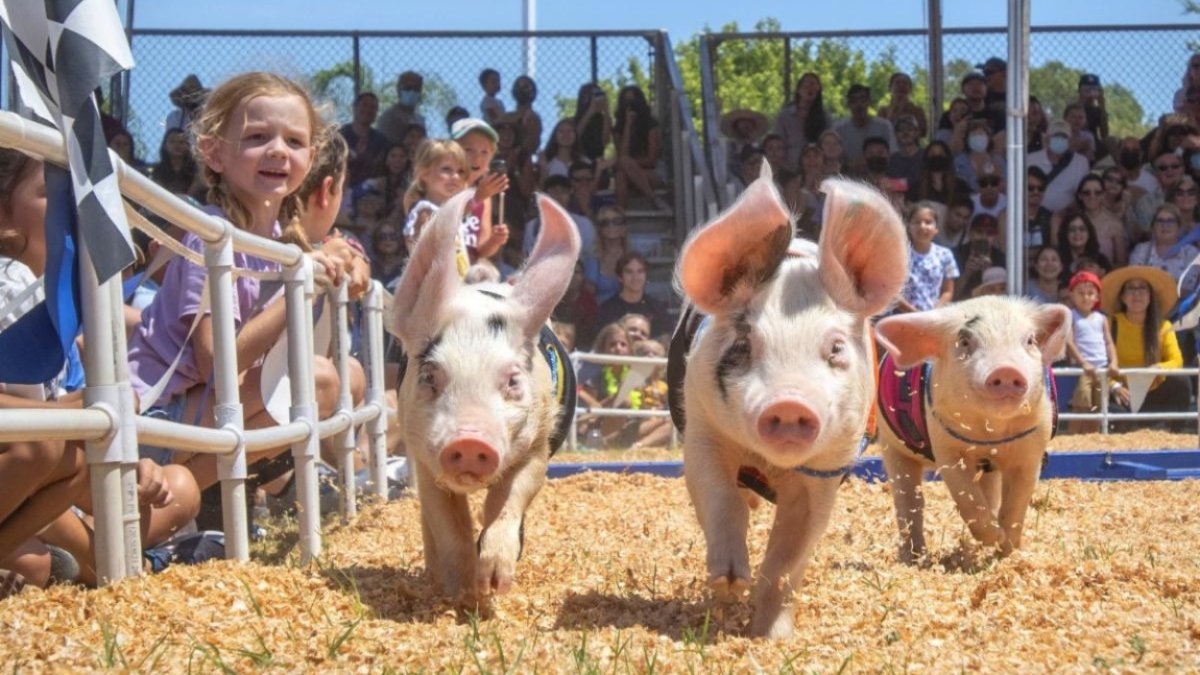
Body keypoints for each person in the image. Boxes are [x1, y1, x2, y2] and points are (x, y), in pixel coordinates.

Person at [127, 72, 348, 495]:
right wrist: (301, 289)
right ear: (213, 152)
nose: (278, 151)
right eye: (257, 137)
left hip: (190, 408)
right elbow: (216, 363)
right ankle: (180, 496)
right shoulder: (213, 235)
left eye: (294, 142)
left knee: (314, 382)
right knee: (316, 381)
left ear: (311, 156)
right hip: (155, 414)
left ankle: (180, 498)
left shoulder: (271, 241)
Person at [0, 150, 89, 595]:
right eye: (49, 192)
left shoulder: (58, 304)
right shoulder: (10, 278)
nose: (68, 204)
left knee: (72, 458)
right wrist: (74, 410)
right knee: (41, 446)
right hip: (23, 443)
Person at [1103, 266, 1190, 431]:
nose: (1137, 293)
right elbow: (1098, 362)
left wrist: (1158, 368)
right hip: (1123, 395)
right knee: (1111, 410)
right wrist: (1114, 386)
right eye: (1131, 288)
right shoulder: (1110, 323)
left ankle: (1177, 435)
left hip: (1155, 393)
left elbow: (1176, 361)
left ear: (1151, 296)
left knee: (1182, 382)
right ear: (1122, 297)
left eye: (1142, 288)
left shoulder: (1164, 326)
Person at [401, 139, 470, 275]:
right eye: (446, 169)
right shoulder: (425, 212)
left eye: (460, 171)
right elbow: (424, 260)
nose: (455, 176)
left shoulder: (452, 213)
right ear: (424, 173)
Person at [1064, 271, 1119, 433]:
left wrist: (1114, 362)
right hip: (1083, 369)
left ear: (1097, 297)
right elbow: (1069, 342)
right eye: (1080, 293)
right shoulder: (1071, 316)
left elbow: (1109, 342)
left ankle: (1092, 437)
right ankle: (1072, 437)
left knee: (1098, 406)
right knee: (1082, 403)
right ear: (1071, 295)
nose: (1085, 297)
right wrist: (1083, 363)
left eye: (1090, 293)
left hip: (1101, 368)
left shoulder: (1101, 318)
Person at [450, 118, 511, 261]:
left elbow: (481, 249)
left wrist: (494, 241)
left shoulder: (485, 196)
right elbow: (442, 222)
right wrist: (477, 198)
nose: (477, 157)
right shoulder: (444, 185)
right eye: (468, 150)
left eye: (485, 152)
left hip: (468, 271)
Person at [612, 85, 668, 212]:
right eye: (626, 102)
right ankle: (651, 200)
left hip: (653, 173)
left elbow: (651, 160)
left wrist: (629, 164)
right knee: (621, 174)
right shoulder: (618, 130)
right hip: (629, 175)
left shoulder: (651, 125)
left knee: (623, 165)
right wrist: (628, 125)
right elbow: (622, 154)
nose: (630, 106)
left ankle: (623, 211)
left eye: (633, 102)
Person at [895, 201, 958, 312]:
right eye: (916, 222)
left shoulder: (945, 255)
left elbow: (948, 291)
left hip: (933, 318)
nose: (922, 226)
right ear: (909, 226)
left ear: (936, 229)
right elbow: (892, 291)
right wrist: (913, 312)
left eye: (928, 222)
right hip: (901, 317)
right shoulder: (898, 254)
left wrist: (934, 312)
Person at [1052, 174, 1127, 267]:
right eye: (1086, 192)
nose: (1092, 196)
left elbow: (1121, 263)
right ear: (1080, 195)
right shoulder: (1070, 221)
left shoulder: (1115, 224)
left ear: (1103, 194)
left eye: (1097, 192)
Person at [594, 252, 666, 339]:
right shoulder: (606, 310)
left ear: (646, 276)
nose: (635, 277)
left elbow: (665, 340)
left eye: (640, 271)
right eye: (629, 272)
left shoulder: (657, 308)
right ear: (620, 277)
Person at [1027, 120, 1091, 213]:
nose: (1060, 140)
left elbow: (1084, 193)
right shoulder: (1030, 159)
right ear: (1047, 139)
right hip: (1033, 215)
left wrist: (1063, 214)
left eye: (1064, 137)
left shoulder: (1081, 162)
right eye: (1056, 136)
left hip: (1066, 217)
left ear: (1070, 140)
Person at [833, 84, 896, 174]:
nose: (859, 104)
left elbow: (894, 155)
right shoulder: (839, 129)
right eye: (854, 101)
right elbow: (832, 159)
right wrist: (848, 165)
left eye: (863, 100)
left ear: (869, 102)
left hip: (880, 178)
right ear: (849, 104)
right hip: (849, 179)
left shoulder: (884, 126)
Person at [1129, 203, 1199, 282]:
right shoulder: (1141, 250)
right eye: (1160, 221)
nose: (1165, 225)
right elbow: (1134, 281)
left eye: (1170, 221)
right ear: (1153, 227)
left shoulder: (1191, 253)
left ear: (1179, 227)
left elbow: (1191, 288)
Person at [773, 73, 828, 171]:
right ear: (799, 89)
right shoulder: (785, 116)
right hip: (789, 170)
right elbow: (777, 145)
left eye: (813, 85)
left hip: (817, 171)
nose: (810, 88)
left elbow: (829, 144)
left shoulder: (825, 117)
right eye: (806, 84)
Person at [1131, 150, 1187, 240]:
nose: (1170, 170)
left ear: (1183, 170)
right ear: (1155, 173)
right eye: (1163, 168)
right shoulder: (1146, 203)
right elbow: (1148, 237)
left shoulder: (1196, 196)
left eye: (1175, 166)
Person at [340, 92, 388, 187]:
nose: (368, 110)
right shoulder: (340, 135)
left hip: (369, 190)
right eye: (364, 105)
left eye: (373, 107)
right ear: (354, 108)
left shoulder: (381, 141)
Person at [953, 213, 1006, 300]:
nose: (984, 237)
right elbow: (950, 296)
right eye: (979, 232)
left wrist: (989, 274)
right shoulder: (956, 255)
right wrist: (966, 274)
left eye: (989, 233)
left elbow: (1004, 297)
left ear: (996, 236)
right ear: (970, 233)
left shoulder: (1001, 259)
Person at [1056, 208, 1113, 283]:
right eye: (1072, 230)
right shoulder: (1057, 259)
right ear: (1065, 234)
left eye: (1082, 229)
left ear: (1089, 233)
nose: (1077, 233)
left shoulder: (1101, 260)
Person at [954, 118, 1005, 193]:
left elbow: (1005, 185)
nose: (978, 138)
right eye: (974, 135)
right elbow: (960, 186)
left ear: (988, 138)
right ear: (967, 139)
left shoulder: (998, 161)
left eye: (981, 134)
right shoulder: (960, 161)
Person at [912, 140, 968, 206]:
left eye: (941, 153)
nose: (936, 156)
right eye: (932, 153)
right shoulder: (917, 188)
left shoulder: (960, 186)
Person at [150, 127, 203, 198]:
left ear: (188, 146)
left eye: (181, 142)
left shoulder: (194, 169)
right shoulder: (159, 170)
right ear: (165, 146)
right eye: (172, 141)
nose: (177, 145)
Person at [721, 108, 770, 182]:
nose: (746, 125)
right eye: (743, 122)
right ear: (735, 125)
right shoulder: (726, 148)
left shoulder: (761, 148)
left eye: (749, 122)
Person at [377, 71, 425, 145]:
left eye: (416, 89)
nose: (412, 92)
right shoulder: (389, 117)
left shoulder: (420, 119)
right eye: (407, 88)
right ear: (398, 90)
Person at [877, 72, 927, 138]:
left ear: (910, 89)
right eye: (897, 83)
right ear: (890, 88)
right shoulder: (883, 110)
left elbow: (923, 132)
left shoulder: (917, 110)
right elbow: (880, 131)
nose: (901, 86)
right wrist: (893, 111)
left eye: (905, 83)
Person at [366, 142, 411, 216]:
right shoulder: (375, 183)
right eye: (393, 156)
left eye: (402, 156)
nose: (397, 160)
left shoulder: (410, 185)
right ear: (386, 159)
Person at [162, 74, 208, 146]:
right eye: (188, 95)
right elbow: (172, 142)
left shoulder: (208, 116)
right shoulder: (175, 117)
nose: (192, 99)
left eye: (195, 95)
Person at [574, 83, 612, 165]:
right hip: (578, 159)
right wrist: (590, 111)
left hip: (597, 159)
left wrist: (606, 111)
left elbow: (605, 141)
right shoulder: (573, 120)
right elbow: (575, 136)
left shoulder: (605, 119)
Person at [887, 115, 924, 189]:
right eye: (901, 129)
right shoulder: (892, 160)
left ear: (917, 133)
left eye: (909, 129)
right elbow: (887, 185)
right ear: (896, 134)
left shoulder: (925, 156)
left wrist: (898, 184)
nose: (905, 132)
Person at [510, 75, 542, 157]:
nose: (521, 91)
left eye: (525, 87)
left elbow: (533, 145)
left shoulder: (533, 118)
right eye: (518, 87)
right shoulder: (505, 117)